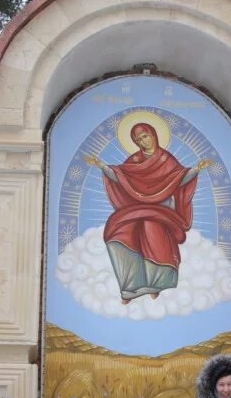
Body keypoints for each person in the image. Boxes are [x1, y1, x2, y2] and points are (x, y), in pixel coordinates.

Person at [85, 123, 211, 303]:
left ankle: (156, 282)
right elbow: (121, 178)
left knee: (151, 227)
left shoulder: (166, 159)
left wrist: (197, 169)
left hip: (161, 209)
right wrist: (102, 166)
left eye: (145, 136)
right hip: (137, 207)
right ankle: (131, 286)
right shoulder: (135, 160)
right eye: (138, 139)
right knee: (116, 229)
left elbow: (179, 179)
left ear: (153, 135)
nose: (143, 141)